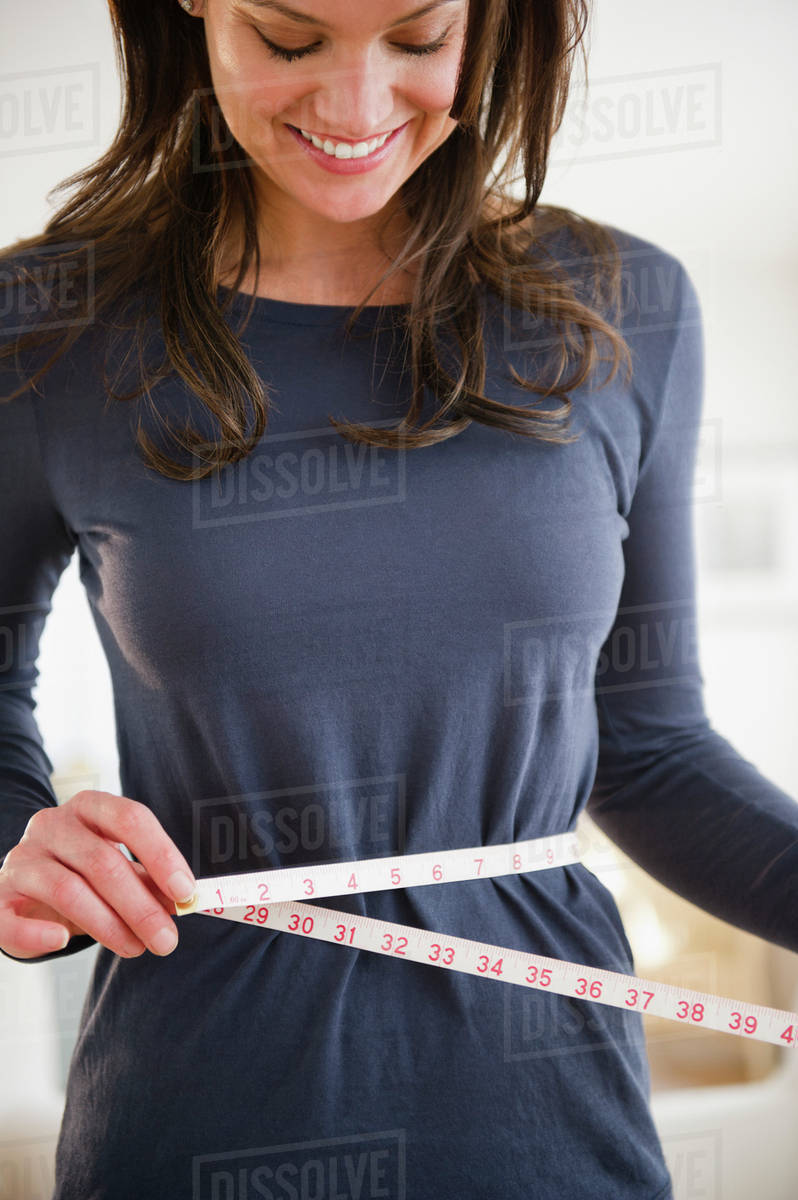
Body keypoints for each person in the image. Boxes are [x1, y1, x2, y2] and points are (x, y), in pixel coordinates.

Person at [1, 1, 796, 1197]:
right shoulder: (44, 320)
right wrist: (18, 847)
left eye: (420, 40)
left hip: (552, 1124)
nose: (356, 106)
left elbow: (650, 748)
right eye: (289, 39)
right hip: (197, 1114)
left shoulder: (628, 304)